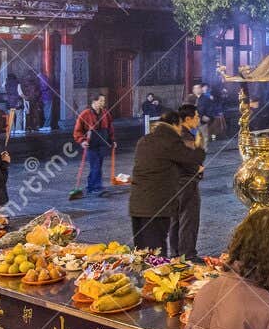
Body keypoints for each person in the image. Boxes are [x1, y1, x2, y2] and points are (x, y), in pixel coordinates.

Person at [128, 108, 202, 253]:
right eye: (180, 126)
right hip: (156, 205)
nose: (181, 130)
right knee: (156, 252)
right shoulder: (170, 141)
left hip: (136, 205)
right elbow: (193, 162)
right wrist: (199, 146)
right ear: (174, 124)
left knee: (141, 252)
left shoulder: (144, 140)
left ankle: (143, 275)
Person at [169, 103, 206, 259]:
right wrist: (198, 168)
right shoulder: (186, 137)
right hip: (185, 182)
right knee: (188, 218)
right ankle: (187, 253)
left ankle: (176, 252)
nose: (198, 119)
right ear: (188, 119)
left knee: (176, 219)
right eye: (196, 117)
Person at [72, 94, 115, 198]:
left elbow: (110, 128)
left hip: (102, 144)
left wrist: (112, 140)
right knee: (95, 165)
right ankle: (96, 188)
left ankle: (91, 187)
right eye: (101, 101)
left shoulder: (105, 113)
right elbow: (77, 131)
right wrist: (82, 141)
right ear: (94, 102)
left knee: (98, 166)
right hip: (91, 144)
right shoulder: (85, 114)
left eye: (103, 101)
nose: (103, 103)